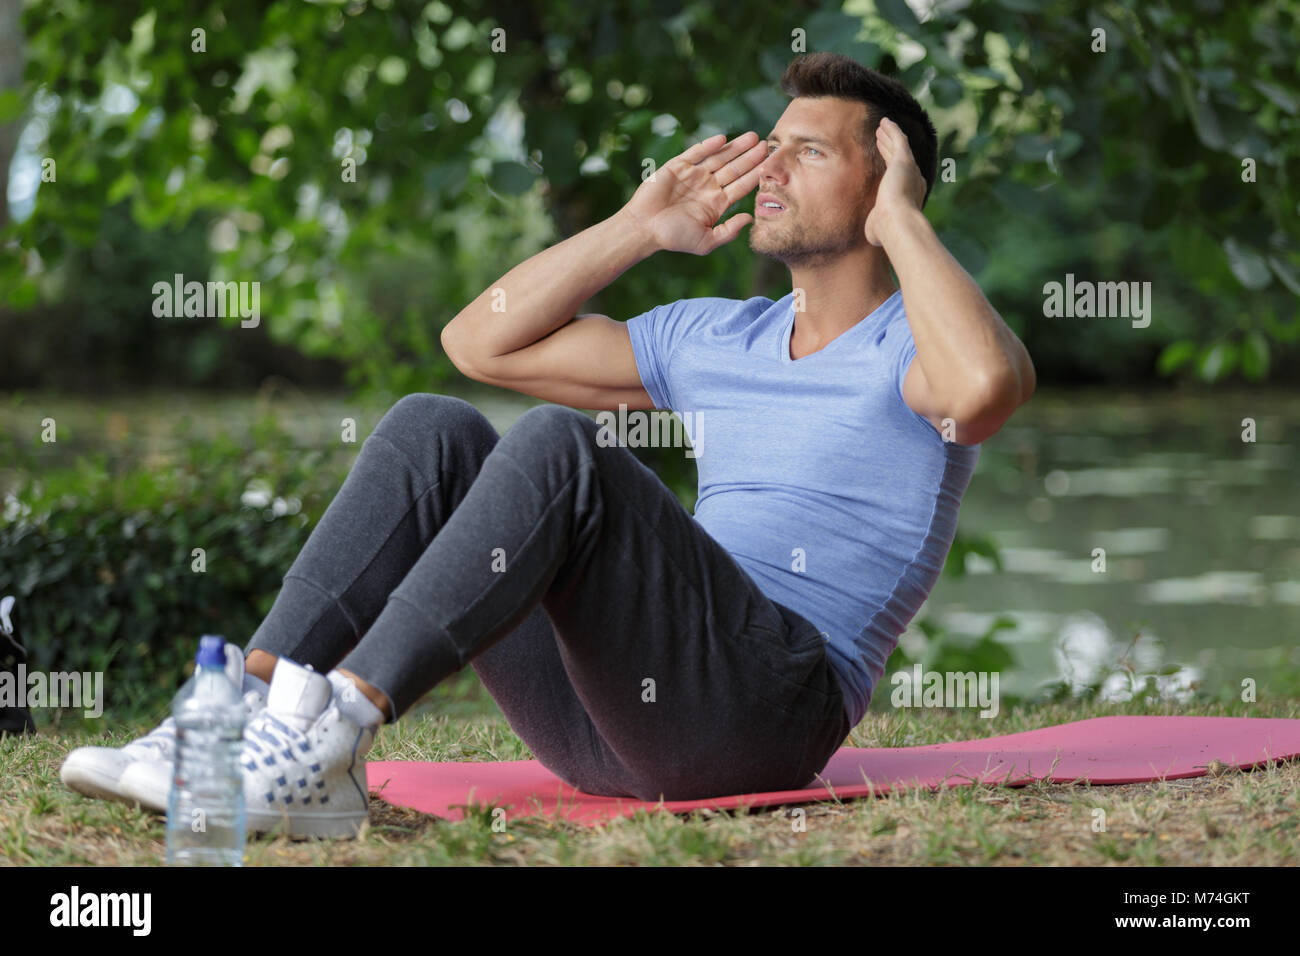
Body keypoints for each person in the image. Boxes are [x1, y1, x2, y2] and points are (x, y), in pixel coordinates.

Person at [62, 52, 1034, 839]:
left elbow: (982, 390)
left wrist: (902, 218)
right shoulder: (716, 335)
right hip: (611, 724)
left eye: (809, 152)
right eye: (768, 146)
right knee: (432, 427)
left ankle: (335, 731)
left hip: (765, 713)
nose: (767, 167)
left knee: (565, 447)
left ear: (887, 178)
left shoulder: (916, 343)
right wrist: (637, 227)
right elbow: (477, 341)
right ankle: (243, 707)